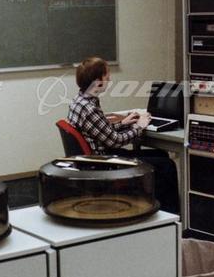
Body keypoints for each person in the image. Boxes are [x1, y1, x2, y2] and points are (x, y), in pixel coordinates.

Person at [67, 57, 179, 214]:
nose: (110, 78)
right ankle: (170, 215)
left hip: (96, 157)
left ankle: (156, 206)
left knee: (160, 154)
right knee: (167, 165)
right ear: (98, 79)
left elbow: (100, 131)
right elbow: (115, 141)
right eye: (107, 75)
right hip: (105, 161)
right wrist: (139, 127)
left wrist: (125, 122)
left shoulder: (79, 101)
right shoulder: (90, 109)